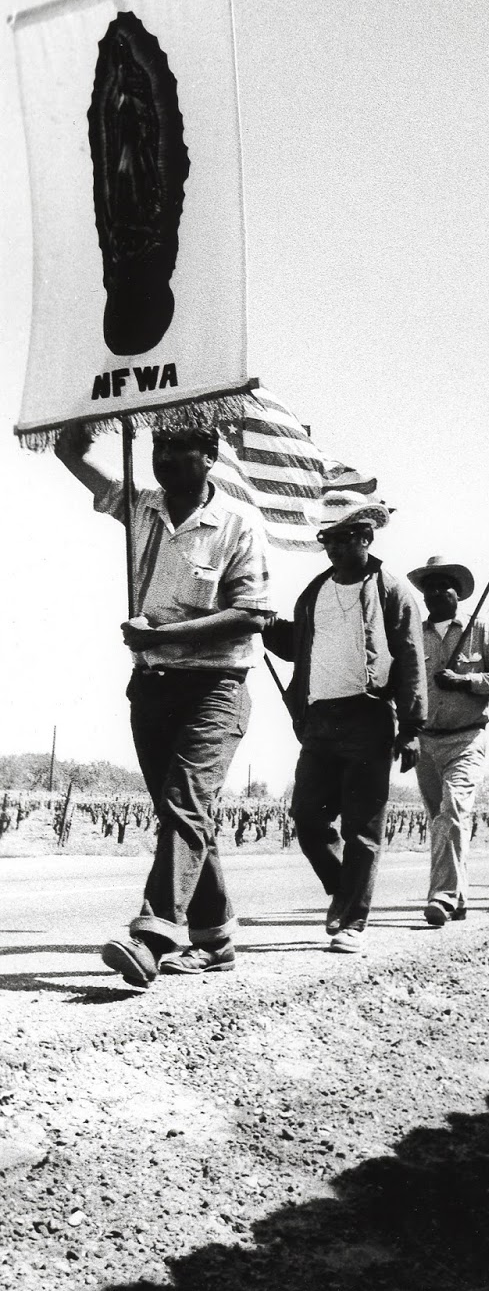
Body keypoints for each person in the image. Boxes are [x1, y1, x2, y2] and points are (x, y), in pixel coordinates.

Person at [55, 419, 270, 986]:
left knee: (183, 803)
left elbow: (253, 613)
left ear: (211, 454)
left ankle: (152, 934)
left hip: (215, 688)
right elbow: (83, 468)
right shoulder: (143, 506)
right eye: (159, 446)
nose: (166, 457)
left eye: (181, 448)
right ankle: (215, 937)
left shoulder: (237, 525)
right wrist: (73, 435)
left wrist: (161, 637)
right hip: (152, 686)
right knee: (184, 813)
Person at [264, 493, 426, 954]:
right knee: (306, 819)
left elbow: (411, 658)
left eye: (342, 539)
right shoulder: (314, 591)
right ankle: (342, 888)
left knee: (362, 827)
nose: (332, 548)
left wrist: (412, 728)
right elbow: (299, 644)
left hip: (368, 716)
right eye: (327, 540)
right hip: (319, 720)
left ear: (365, 538)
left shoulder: (392, 590)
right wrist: (262, 623)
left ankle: (354, 920)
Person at [407, 556, 489, 927]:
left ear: (458, 593)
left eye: (444, 586)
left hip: (467, 738)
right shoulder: (411, 633)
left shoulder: (480, 630)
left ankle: (441, 895)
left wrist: (466, 681)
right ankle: (459, 896)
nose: (436, 593)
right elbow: (400, 686)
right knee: (441, 819)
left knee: (453, 811)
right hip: (425, 740)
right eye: (430, 587)